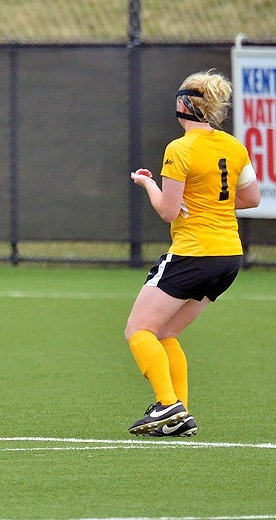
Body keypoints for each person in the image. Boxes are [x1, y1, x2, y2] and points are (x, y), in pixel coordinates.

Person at [126, 69, 260, 437]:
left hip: (194, 252)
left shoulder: (180, 148)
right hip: (229, 256)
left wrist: (148, 183)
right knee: (166, 331)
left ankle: (166, 405)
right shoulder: (233, 146)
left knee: (138, 330)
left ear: (185, 104)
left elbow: (169, 211)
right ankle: (179, 415)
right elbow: (251, 198)